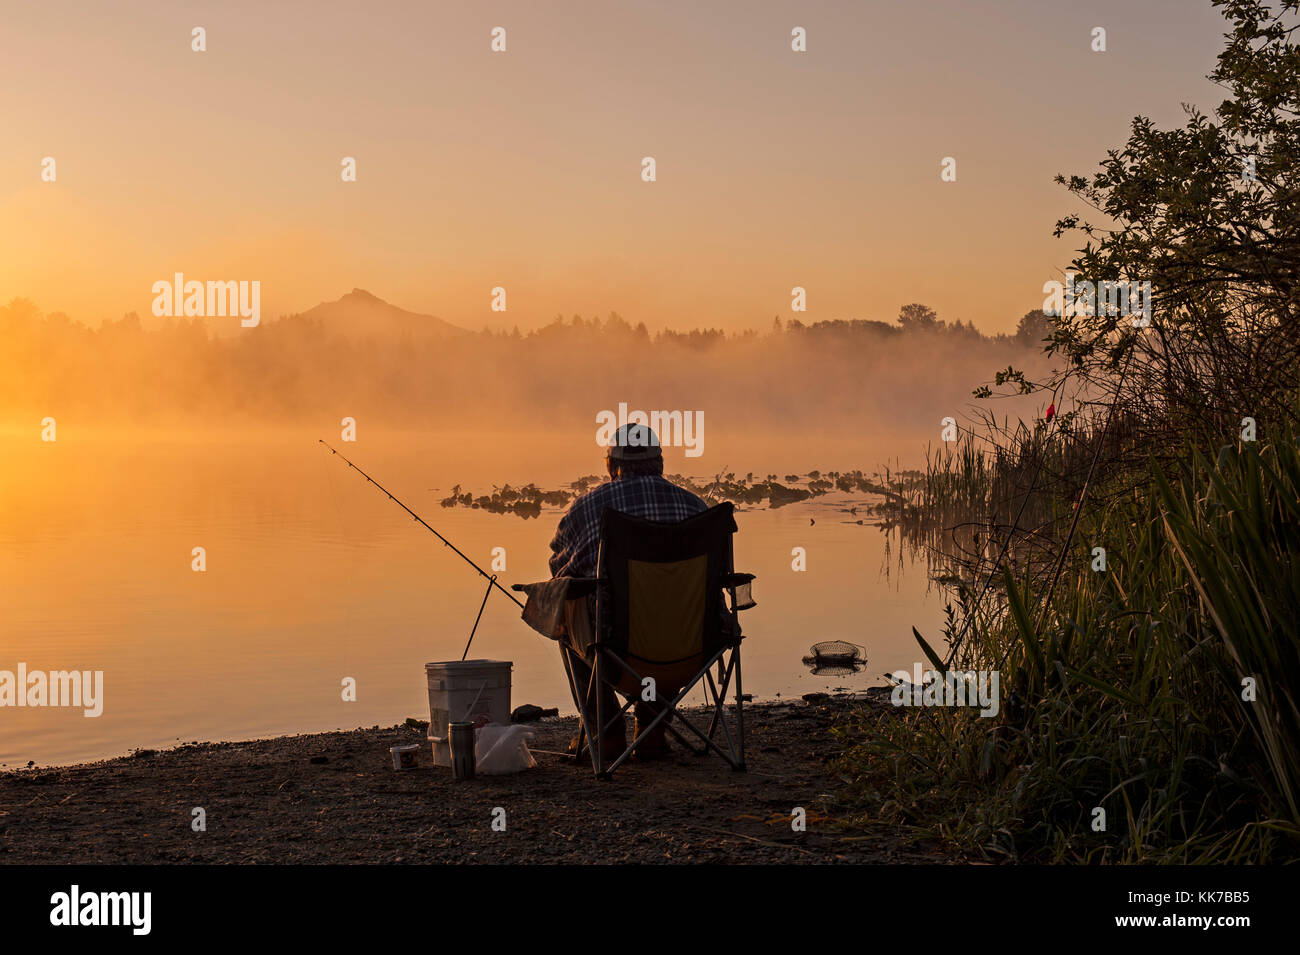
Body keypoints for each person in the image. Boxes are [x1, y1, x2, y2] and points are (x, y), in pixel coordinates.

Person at [548, 423, 706, 760]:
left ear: (610, 465)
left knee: (566, 608)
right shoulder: (697, 509)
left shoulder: (587, 508)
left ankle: (606, 734)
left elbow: (559, 573)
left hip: (616, 648)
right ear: (661, 462)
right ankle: (650, 733)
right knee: (668, 617)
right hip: (695, 646)